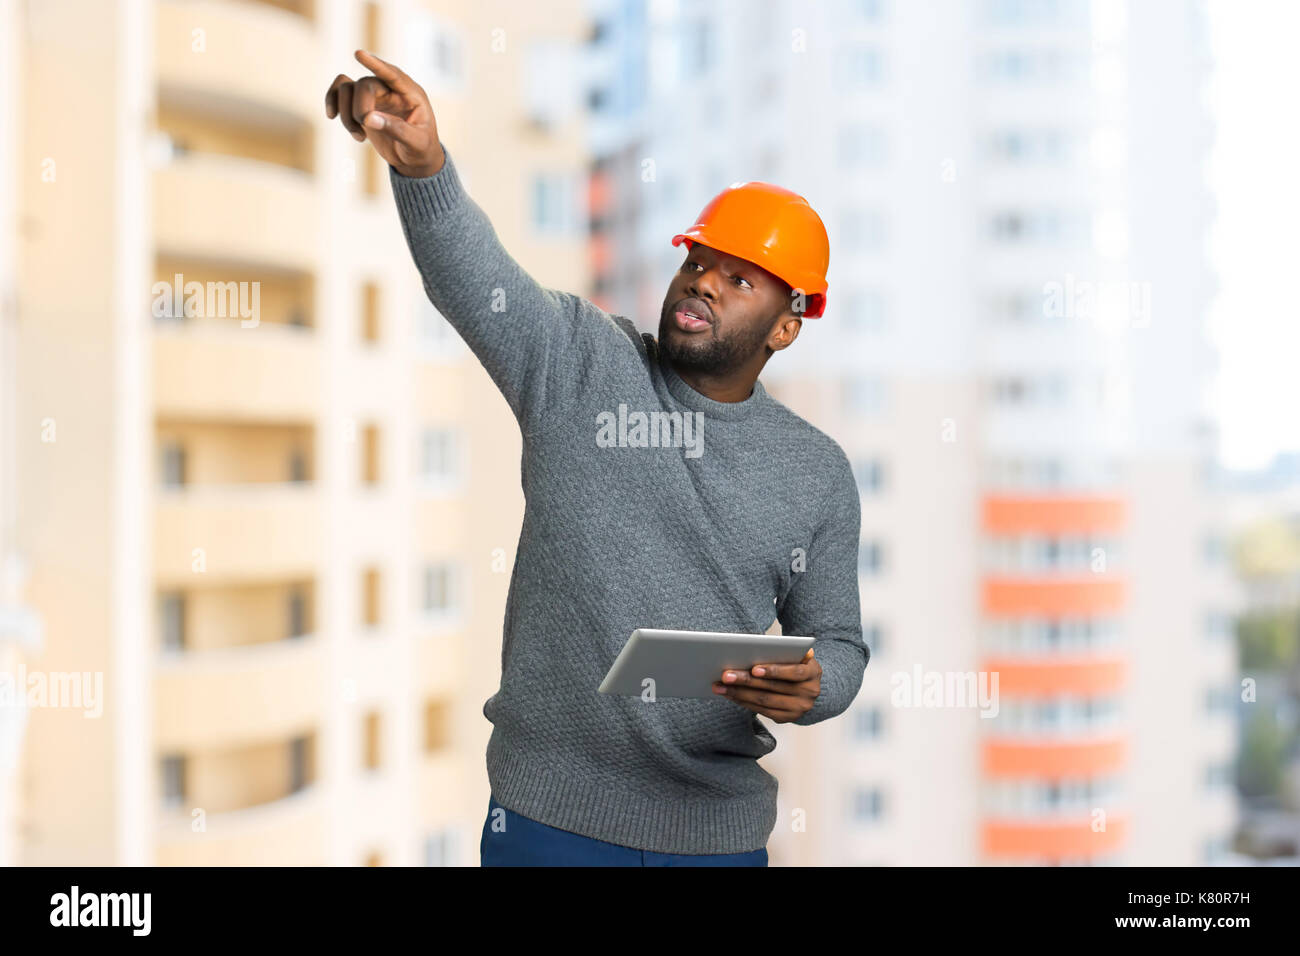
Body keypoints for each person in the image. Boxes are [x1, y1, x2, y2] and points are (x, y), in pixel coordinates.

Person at [325, 50, 868, 867]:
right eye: (698, 263)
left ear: (787, 324)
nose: (705, 285)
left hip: (715, 841)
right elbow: (476, 280)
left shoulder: (816, 473)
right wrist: (425, 167)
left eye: (740, 279)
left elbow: (840, 642)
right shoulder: (580, 362)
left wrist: (817, 683)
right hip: (548, 824)